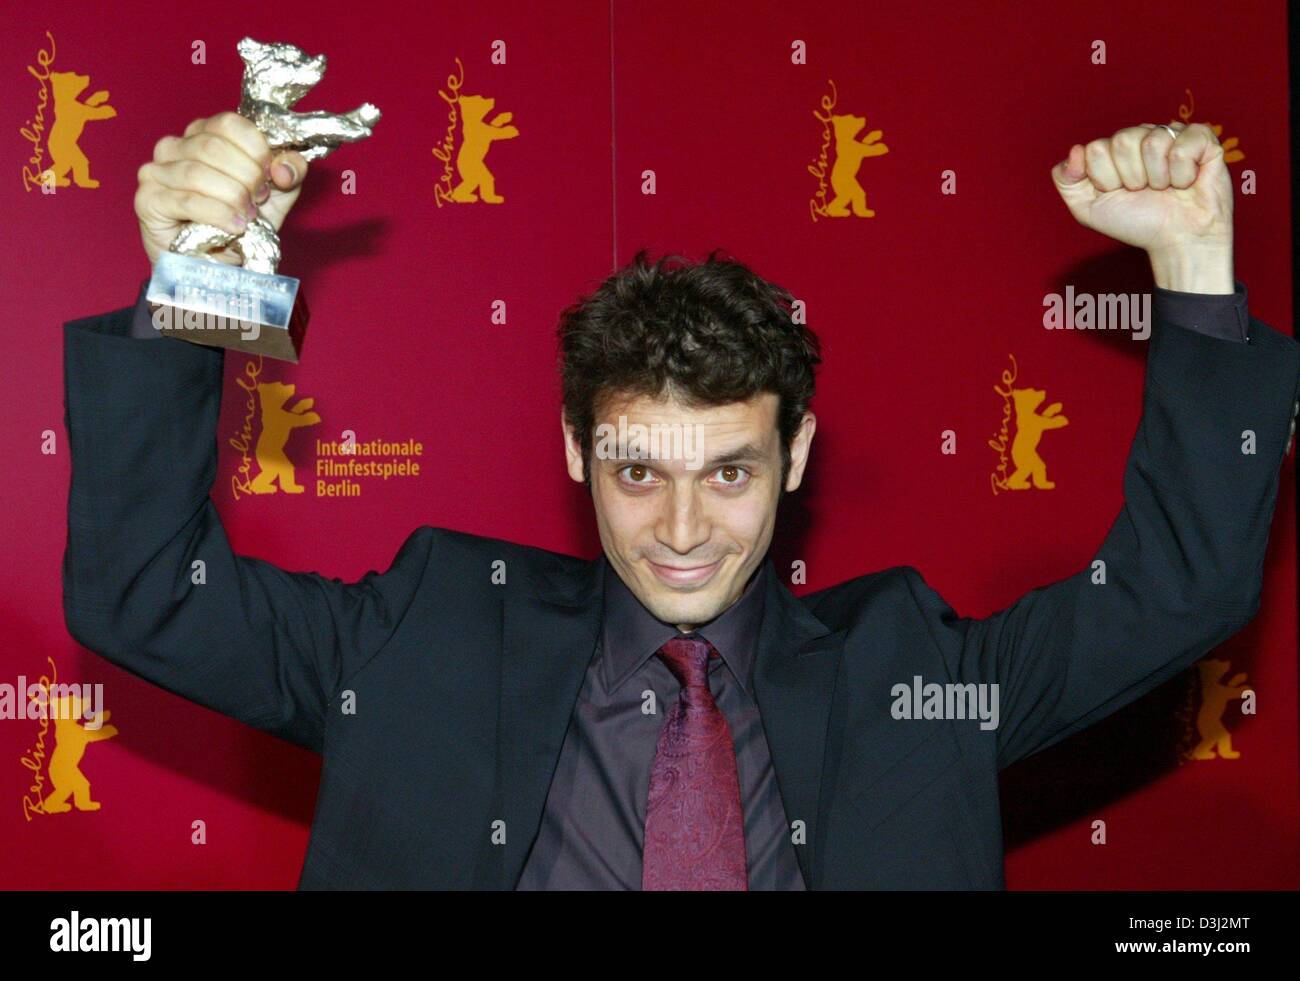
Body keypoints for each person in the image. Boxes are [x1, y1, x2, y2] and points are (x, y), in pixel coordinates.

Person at [62, 112, 1300, 889]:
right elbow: (143, 600)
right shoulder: (422, 634)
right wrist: (197, 280)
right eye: (637, 470)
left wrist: (1193, 267)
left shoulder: (910, 674)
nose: (684, 531)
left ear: (796, 455)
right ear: (573, 452)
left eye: (731, 471)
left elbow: (1178, 590)